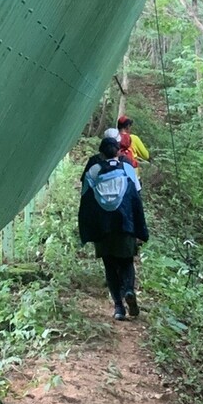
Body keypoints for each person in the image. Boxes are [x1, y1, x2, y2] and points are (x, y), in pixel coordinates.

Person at [78, 135, 148, 321]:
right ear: (118, 151)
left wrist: (88, 229)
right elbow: (136, 196)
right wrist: (139, 229)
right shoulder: (127, 168)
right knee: (126, 262)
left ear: (101, 153)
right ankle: (128, 290)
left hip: (103, 227)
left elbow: (85, 200)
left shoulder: (93, 170)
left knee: (109, 265)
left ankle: (118, 307)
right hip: (125, 223)